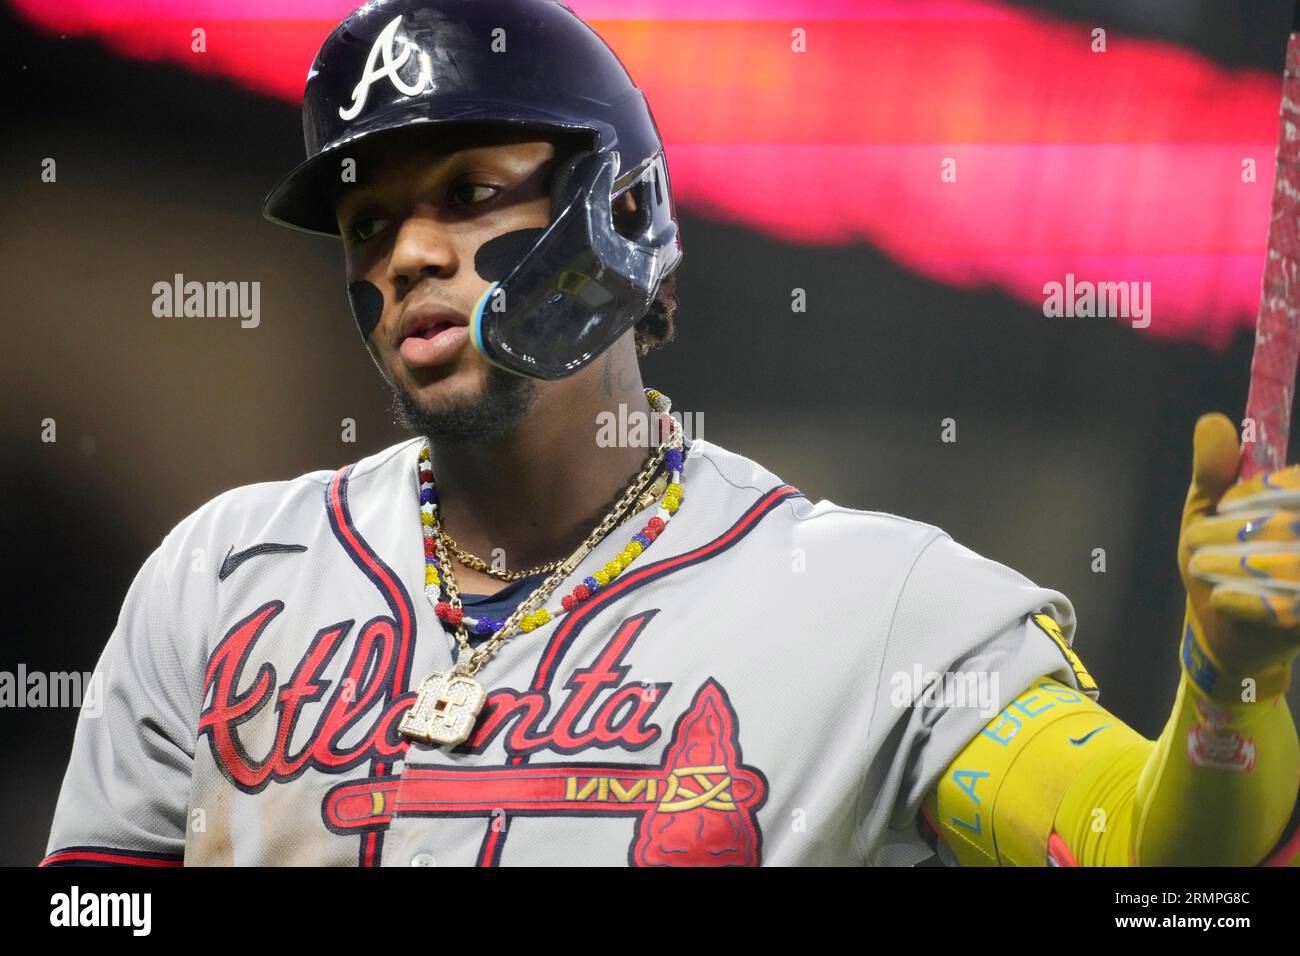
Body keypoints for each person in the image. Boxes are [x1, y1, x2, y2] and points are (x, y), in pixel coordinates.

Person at [43, 0, 1300, 867]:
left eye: (471, 195)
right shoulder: (219, 579)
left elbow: (1152, 857)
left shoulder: (879, 604)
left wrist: (1228, 681)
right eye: (370, 224)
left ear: (620, 216)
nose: (409, 250)